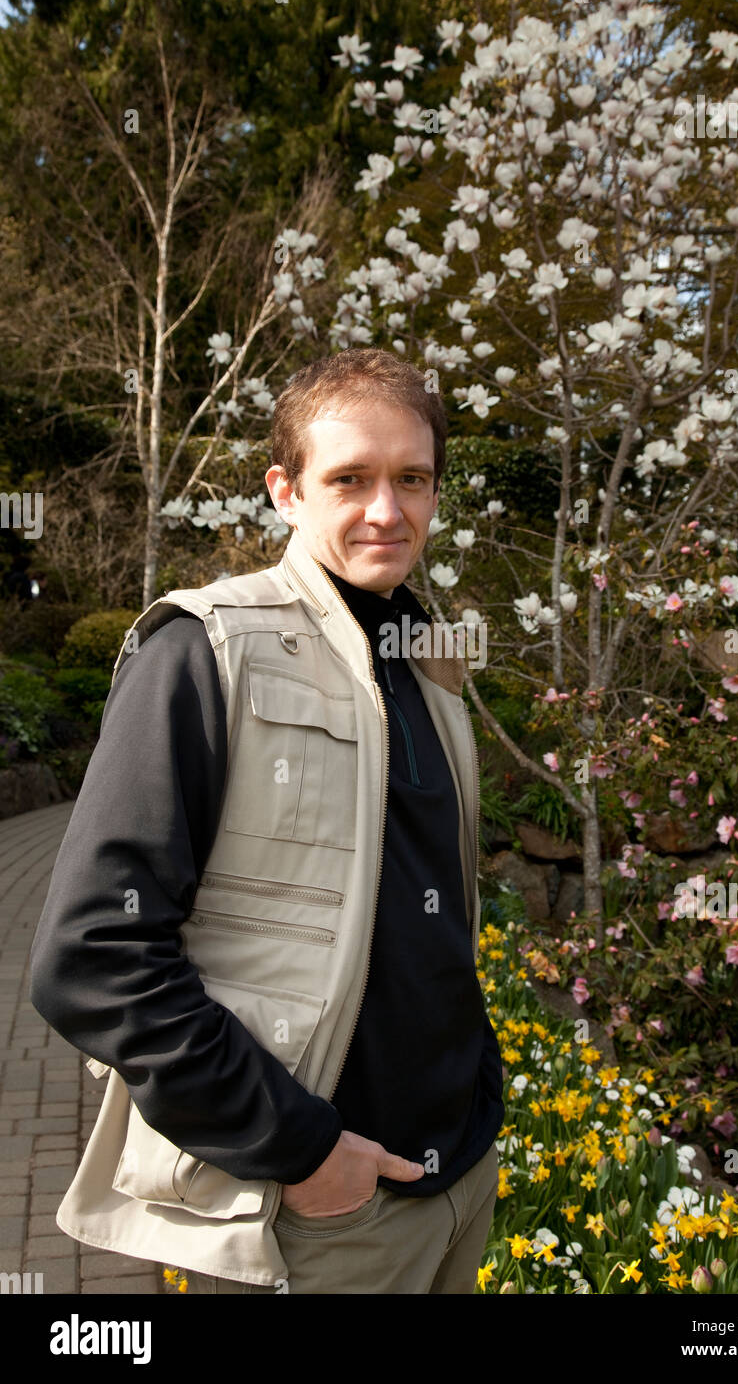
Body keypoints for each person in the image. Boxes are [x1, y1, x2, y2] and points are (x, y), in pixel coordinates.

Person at [29, 347, 504, 1295]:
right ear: (286, 492)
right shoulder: (206, 649)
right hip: (326, 1215)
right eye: (350, 479)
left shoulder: (430, 662)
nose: (387, 510)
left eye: (412, 479)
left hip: (460, 1178)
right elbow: (94, 957)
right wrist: (304, 1152)